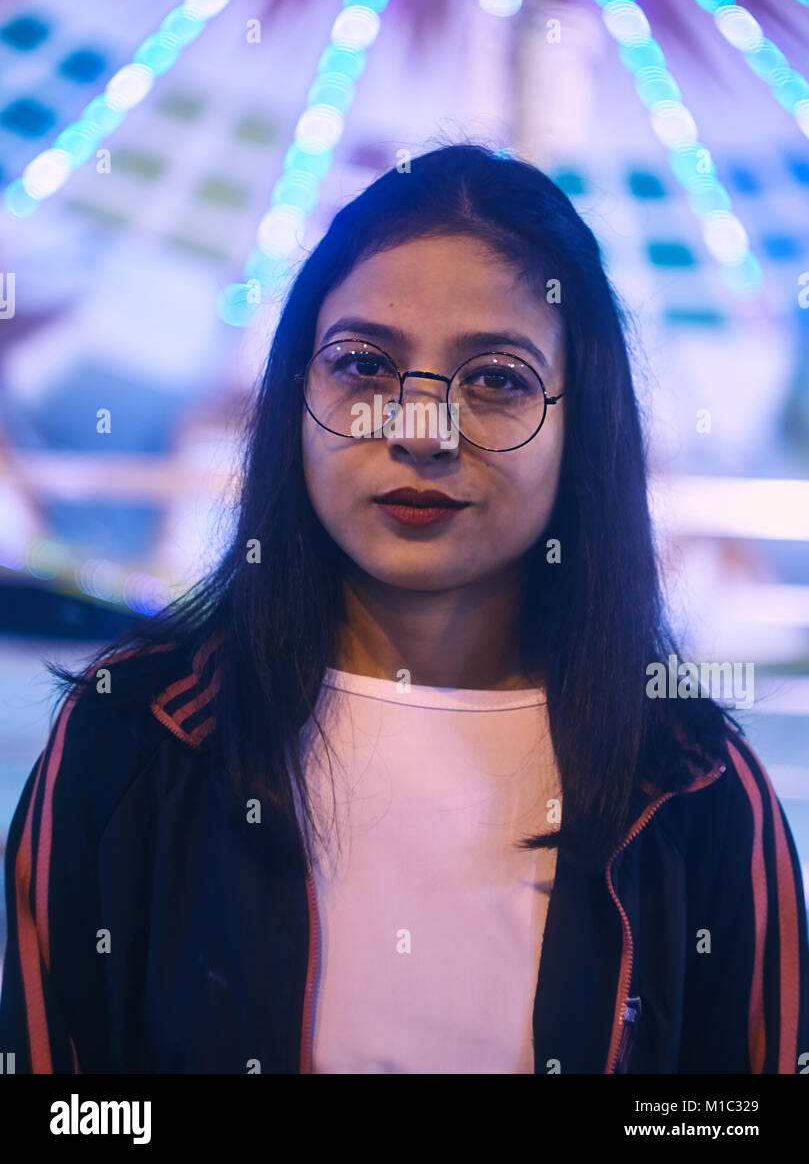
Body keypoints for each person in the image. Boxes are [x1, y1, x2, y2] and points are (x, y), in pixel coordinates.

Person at [1, 142, 806, 1074]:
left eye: (496, 379)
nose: (420, 432)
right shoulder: (137, 733)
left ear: (585, 422)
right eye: (363, 367)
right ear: (294, 398)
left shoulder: (692, 788)